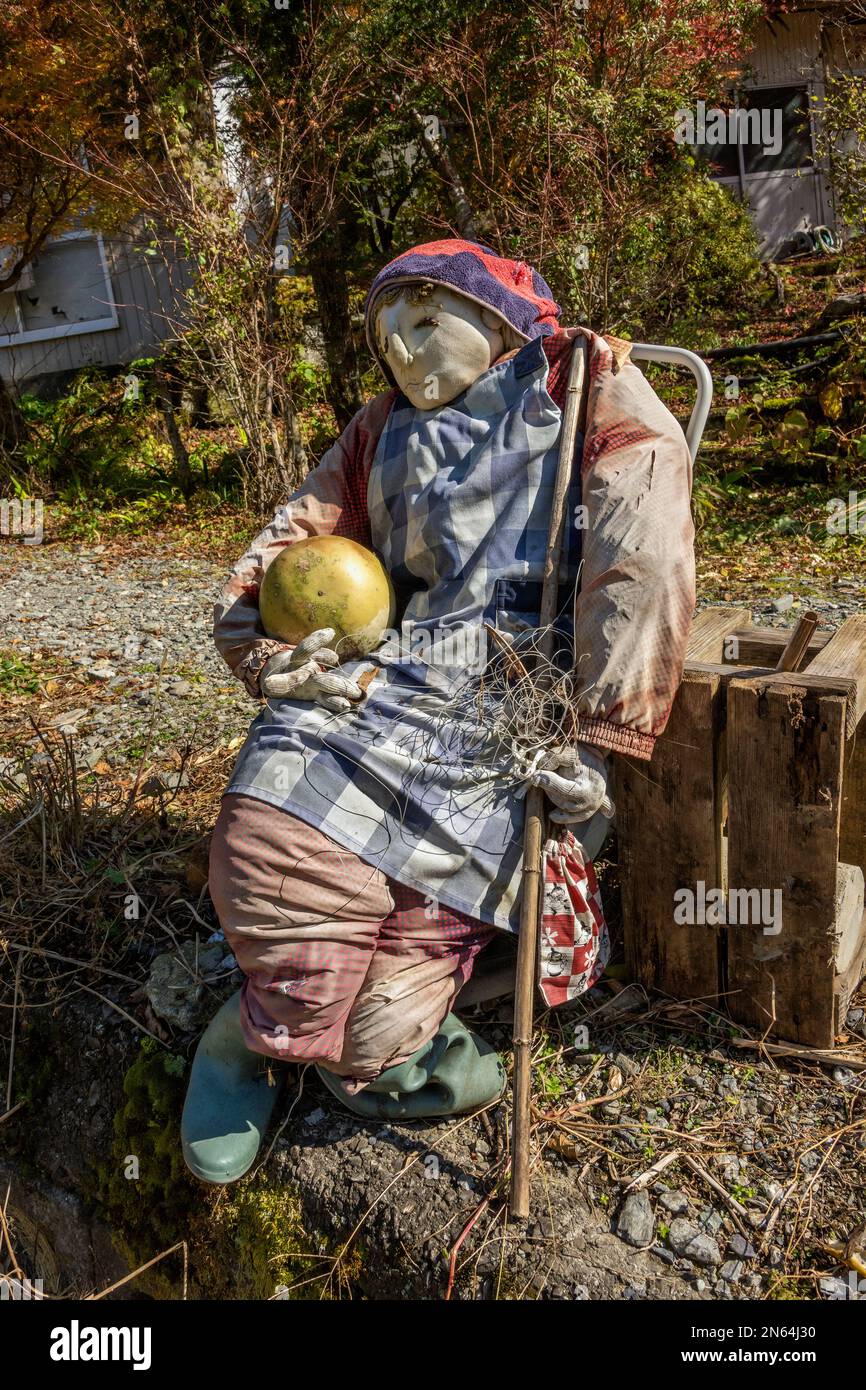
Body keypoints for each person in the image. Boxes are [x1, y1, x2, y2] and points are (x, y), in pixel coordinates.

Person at [181, 239, 695, 1184]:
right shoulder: (377, 430)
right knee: (272, 829)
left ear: (501, 321)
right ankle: (267, 1032)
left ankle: (335, 1035)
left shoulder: (575, 384)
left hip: (515, 698)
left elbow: (643, 547)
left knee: (378, 1023)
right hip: (393, 671)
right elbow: (299, 538)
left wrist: (601, 727)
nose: (405, 353)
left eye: (425, 322)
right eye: (387, 337)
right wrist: (270, 649)